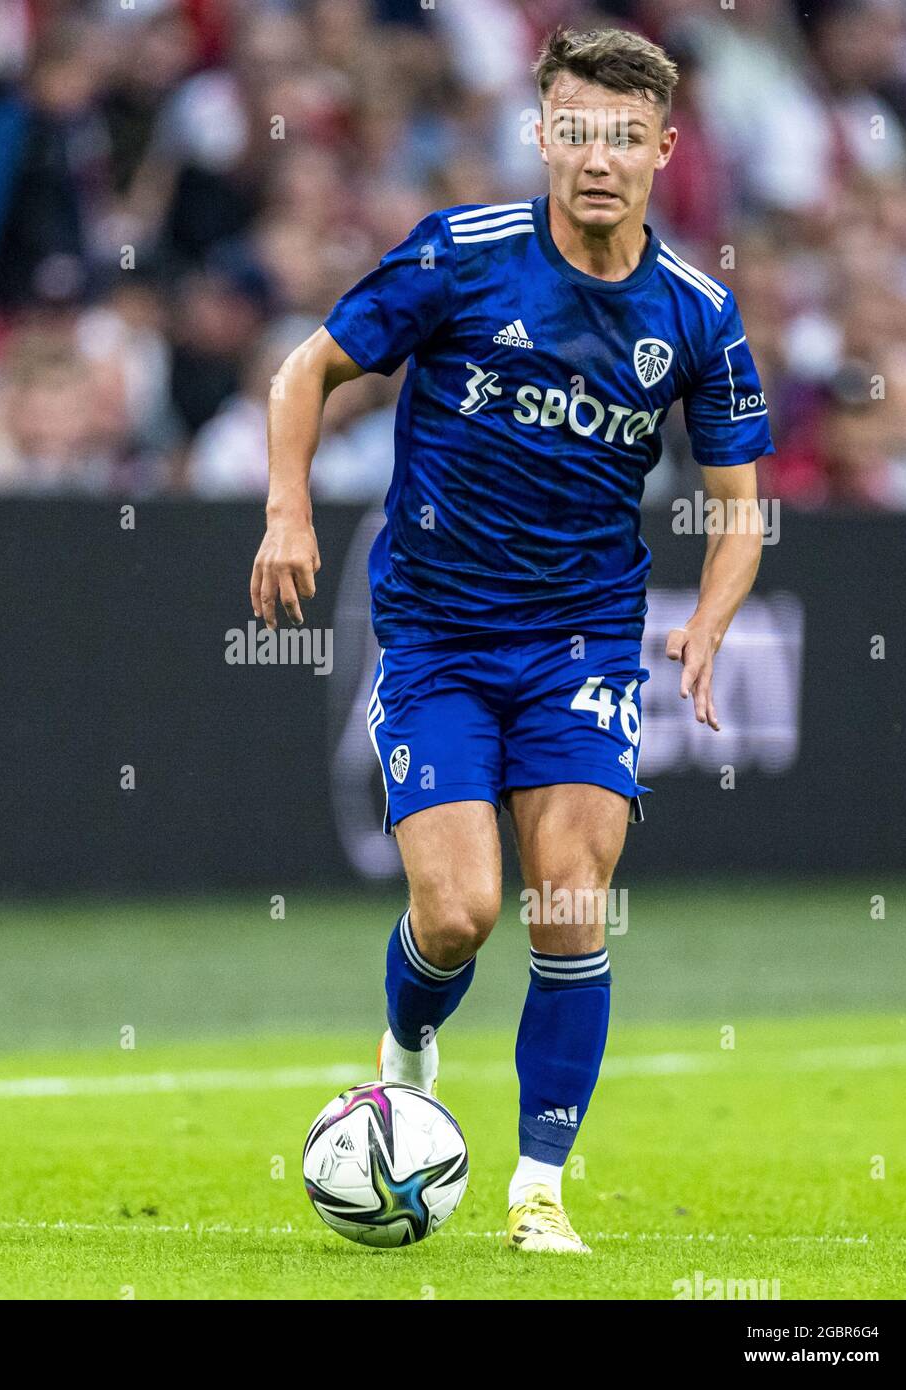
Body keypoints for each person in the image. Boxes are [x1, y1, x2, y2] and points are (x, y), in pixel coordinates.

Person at [249, 27, 771, 1254]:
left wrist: (708, 616)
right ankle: (407, 1052)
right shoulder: (462, 256)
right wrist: (285, 508)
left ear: (662, 150)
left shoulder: (695, 314)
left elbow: (743, 507)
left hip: (583, 641)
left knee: (569, 902)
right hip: (433, 634)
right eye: (575, 131)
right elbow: (305, 371)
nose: (598, 158)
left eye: (623, 137)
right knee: (459, 911)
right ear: (542, 136)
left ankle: (538, 1190)